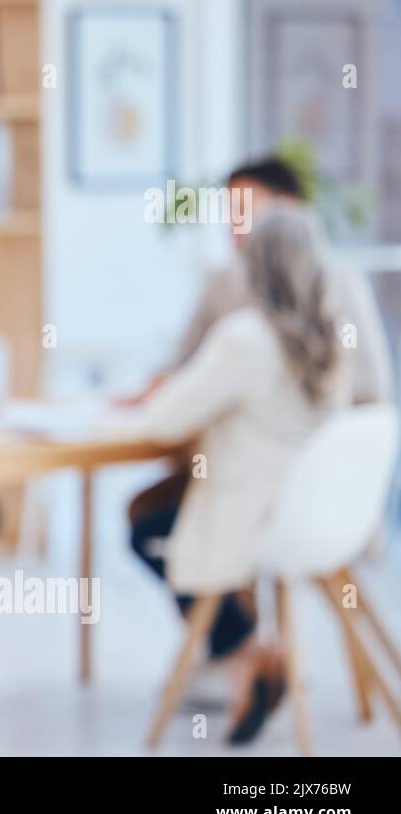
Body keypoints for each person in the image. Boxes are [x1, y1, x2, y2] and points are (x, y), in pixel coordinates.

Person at [124, 156, 392, 672]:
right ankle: (237, 650)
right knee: (150, 508)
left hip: (280, 489)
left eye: (245, 209)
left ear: (289, 211)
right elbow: (183, 366)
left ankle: (242, 649)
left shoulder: (326, 295)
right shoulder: (230, 287)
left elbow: (172, 409)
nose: (233, 223)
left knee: (156, 523)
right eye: (228, 210)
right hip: (303, 497)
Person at [128, 204, 352, 744]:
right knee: (156, 510)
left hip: (246, 518)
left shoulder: (246, 338)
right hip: (311, 517)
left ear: (256, 269)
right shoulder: (330, 342)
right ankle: (251, 655)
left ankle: (246, 652)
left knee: (146, 527)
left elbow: (161, 422)